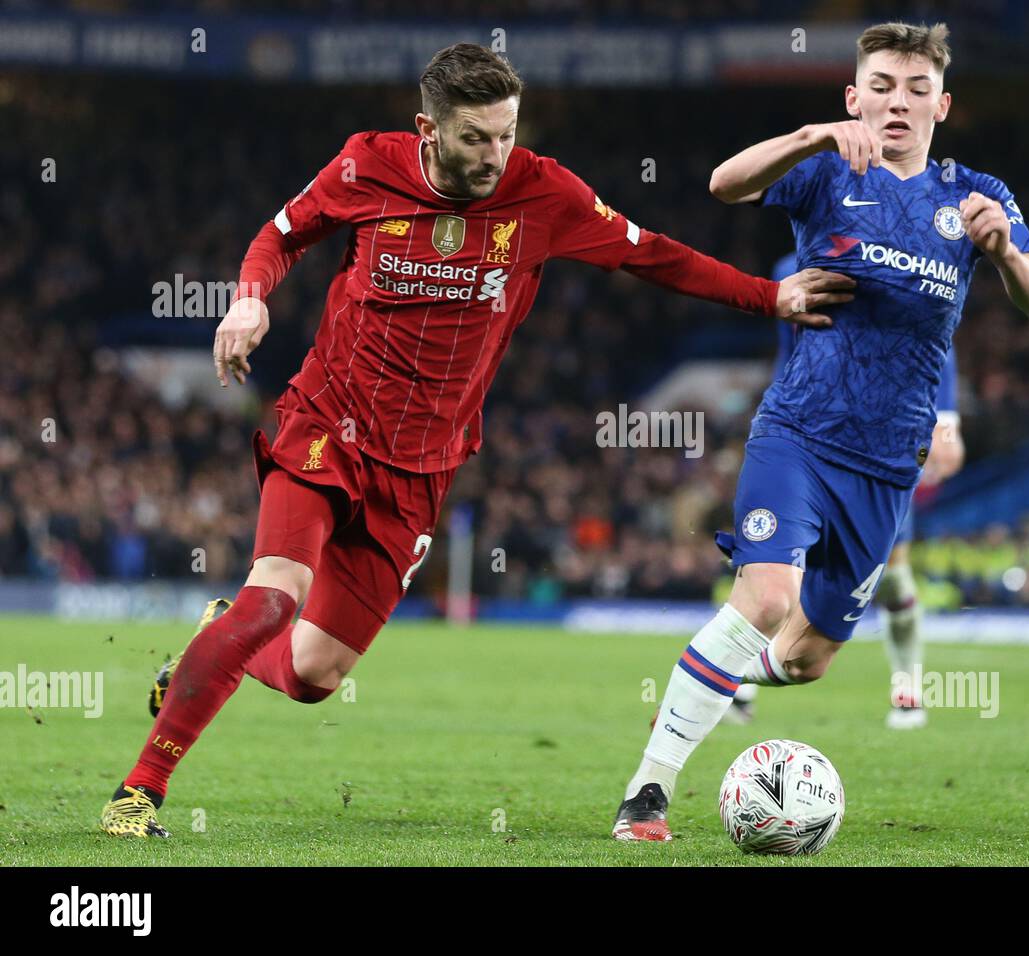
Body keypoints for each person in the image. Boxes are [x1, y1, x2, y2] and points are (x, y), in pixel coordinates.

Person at [98, 42, 853, 838]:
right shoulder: (364, 167)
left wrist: (768, 296)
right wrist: (249, 298)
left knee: (316, 674)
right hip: (326, 424)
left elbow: (651, 256)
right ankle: (139, 793)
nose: (496, 155)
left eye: (506, 134)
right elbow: (280, 234)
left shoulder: (545, 192)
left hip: (422, 467)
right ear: (428, 129)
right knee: (273, 593)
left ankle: (218, 641)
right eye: (475, 139)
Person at [613, 20, 1029, 841]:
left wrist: (1005, 254)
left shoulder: (973, 195)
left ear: (942, 105)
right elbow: (724, 184)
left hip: (888, 466)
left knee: (807, 658)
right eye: (881, 86)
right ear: (855, 97)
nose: (898, 102)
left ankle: (707, 683)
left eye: (917, 90)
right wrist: (811, 133)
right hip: (799, 434)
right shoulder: (825, 170)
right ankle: (649, 791)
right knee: (766, 595)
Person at [727, 252, 965, 730]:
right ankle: (735, 679)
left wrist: (947, 422)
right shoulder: (789, 268)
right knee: (779, 568)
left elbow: (935, 341)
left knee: (893, 579)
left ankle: (908, 687)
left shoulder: (907, 257)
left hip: (880, 448)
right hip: (805, 435)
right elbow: (792, 352)